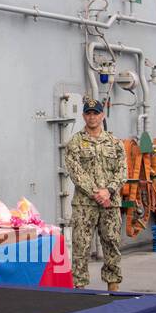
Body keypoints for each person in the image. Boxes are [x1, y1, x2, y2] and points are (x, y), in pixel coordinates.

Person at [64, 98, 127, 292]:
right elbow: (75, 171)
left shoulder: (115, 143)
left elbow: (122, 171)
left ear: (102, 115)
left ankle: (113, 285)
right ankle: (80, 286)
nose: (92, 117)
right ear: (83, 116)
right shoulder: (75, 142)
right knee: (81, 246)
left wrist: (108, 191)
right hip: (85, 205)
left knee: (112, 243)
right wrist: (96, 193)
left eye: (96, 113)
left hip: (111, 203)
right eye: (88, 113)